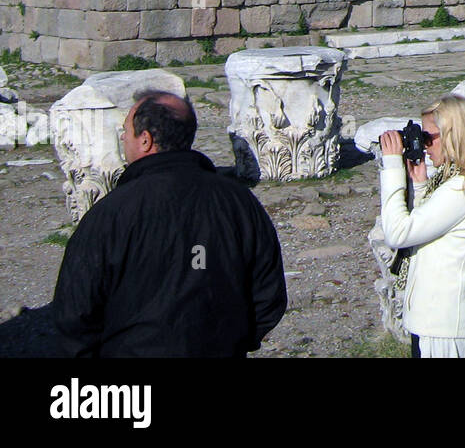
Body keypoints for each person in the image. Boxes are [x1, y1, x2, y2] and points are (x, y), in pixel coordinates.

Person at [50, 91, 287, 358]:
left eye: (125, 132)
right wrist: (233, 341)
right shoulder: (239, 201)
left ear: (146, 140)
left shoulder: (110, 213)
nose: (123, 139)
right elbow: (268, 294)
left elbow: (74, 311)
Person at [377, 95, 465, 358]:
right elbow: (429, 231)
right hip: (440, 324)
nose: (424, 146)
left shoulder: (462, 189)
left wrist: (391, 167)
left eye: (429, 137)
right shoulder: (462, 183)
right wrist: (421, 186)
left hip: (444, 328)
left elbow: (398, 232)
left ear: (453, 136)